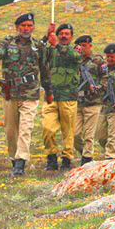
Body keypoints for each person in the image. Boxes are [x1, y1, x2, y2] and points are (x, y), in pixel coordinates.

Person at [0, 12, 49, 176]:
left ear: (33, 28)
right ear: (17, 28)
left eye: (29, 26)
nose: (26, 29)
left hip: (30, 93)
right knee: (11, 131)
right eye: (23, 26)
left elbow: (45, 70)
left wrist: (49, 90)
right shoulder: (8, 42)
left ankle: (21, 162)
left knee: (25, 128)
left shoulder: (38, 46)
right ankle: (14, 158)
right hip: (10, 93)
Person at [42, 23, 82, 171]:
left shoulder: (76, 49)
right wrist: (46, 36)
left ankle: (66, 159)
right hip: (51, 96)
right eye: (61, 33)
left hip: (68, 97)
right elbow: (37, 52)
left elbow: (76, 58)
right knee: (47, 128)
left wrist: (57, 44)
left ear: (71, 37)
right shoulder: (50, 50)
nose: (64, 36)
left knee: (68, 131)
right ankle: (51, 157)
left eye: (67, 34)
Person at [73, 35, 104, 166]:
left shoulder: (97, 61)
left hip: (93, 101)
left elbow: (106, 77)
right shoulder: (74, 60)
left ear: (90, 45)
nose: (82, 48)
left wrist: (98, 87)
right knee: (74, 134)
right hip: (78, 101)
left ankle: (87, 158)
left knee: (89, 134)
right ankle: (83, 152)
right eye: (79, 46)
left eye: (84, 45)